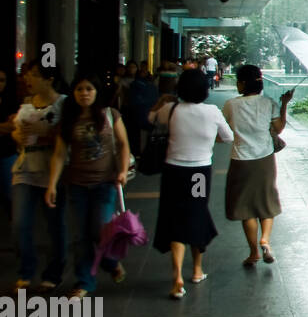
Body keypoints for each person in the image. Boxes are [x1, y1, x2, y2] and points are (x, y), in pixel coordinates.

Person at [148, 68, 233, 299]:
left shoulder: (170, 109)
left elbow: (150, 119)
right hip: (199, 173)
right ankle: (196, 270)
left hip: (174, 172)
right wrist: (206, 139)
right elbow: (228, 137)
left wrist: (160, 102)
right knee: (196, 214)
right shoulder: (212, 112)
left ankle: (176, 278)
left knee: (174, 219)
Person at [44, 74, 130, 297]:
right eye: (80, 89)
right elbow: (59, 154)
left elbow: (123, 144)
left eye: (89, 88)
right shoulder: (68, 120)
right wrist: (52, 184)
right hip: (77, 185)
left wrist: (122, 170)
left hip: (105, 183)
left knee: (100, 230)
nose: (84, 93)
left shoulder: (111, 115)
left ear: (96, 92)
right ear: (73, 93)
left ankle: (110, 262)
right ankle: (84, 282)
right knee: (80, 236)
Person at [222, 65, 292, 266]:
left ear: (243, 83)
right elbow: (278, 129)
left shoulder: (231, 105)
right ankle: (265, 240)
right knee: (266, 200)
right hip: (265, 159)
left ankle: (254, 252)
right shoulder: (268, 103)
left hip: (241, 159)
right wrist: (284, 104)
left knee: (246, 208)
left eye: (238, 80)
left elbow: (223, 130)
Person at [10, 62, 67, 291]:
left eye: (33, 75)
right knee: (20, 223)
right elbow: (16, 131)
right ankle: (26, 270)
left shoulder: (64, 103)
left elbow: (70, 135)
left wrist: (48, 133)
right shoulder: (26, 105)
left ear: (49, 79)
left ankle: (53, 273)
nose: (28, 80)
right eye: (27, 76)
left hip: (52, 169)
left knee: (54, 224)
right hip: (24, 168)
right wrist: (18, 135)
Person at [0, 68, 19, 213]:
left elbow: (14, 126)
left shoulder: (10, 100)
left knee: (11, 196)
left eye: (2, 80)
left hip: (7, 153)